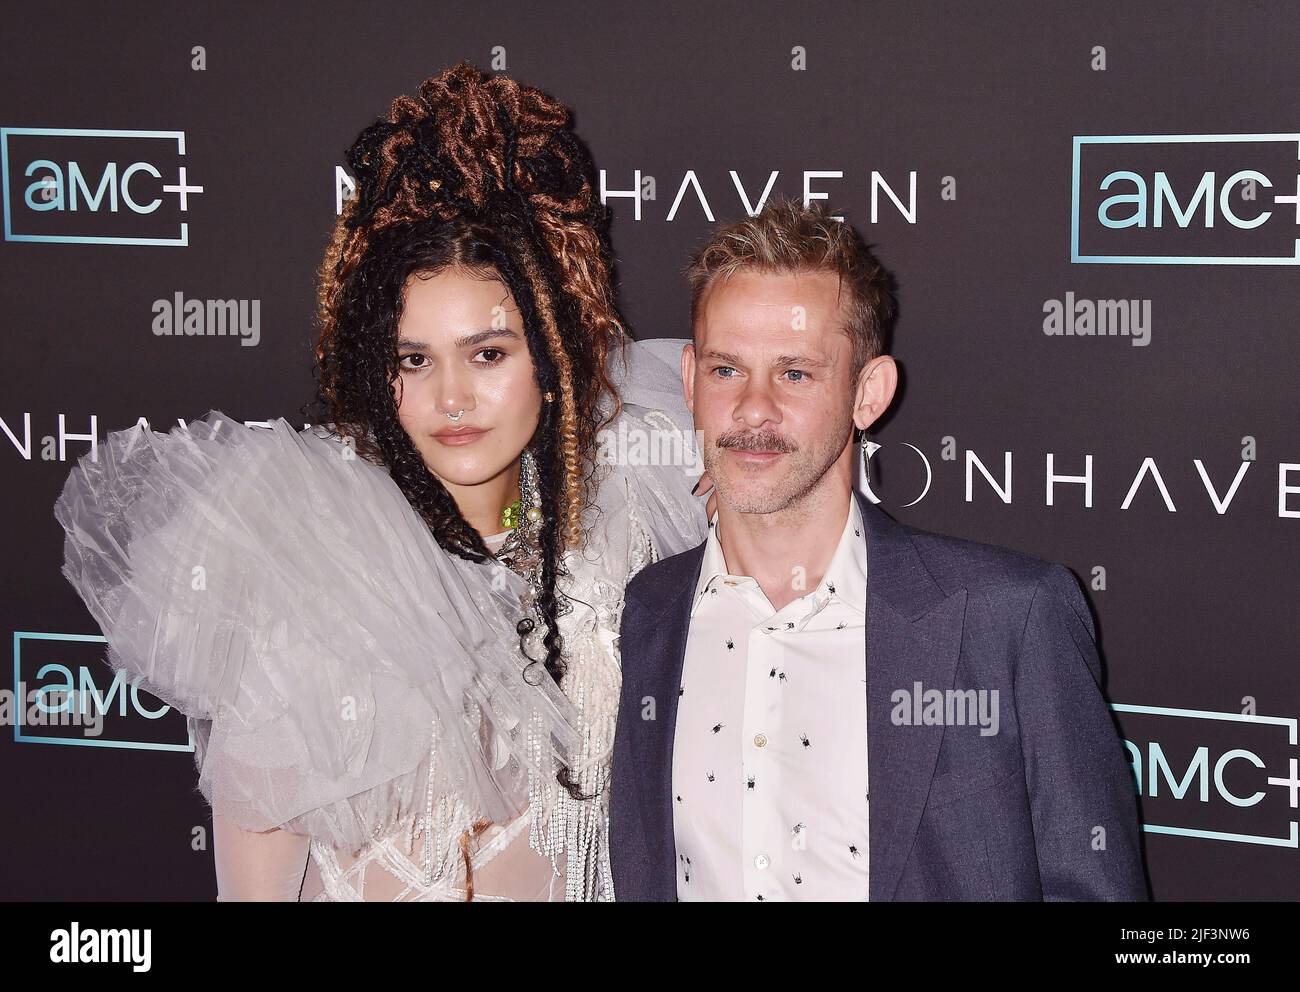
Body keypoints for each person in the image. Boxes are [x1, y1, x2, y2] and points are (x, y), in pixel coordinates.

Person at [54, 62, 707, 901]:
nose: (452, 399)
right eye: (414, 359)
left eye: (488, 353)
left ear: (552, 360)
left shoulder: (623, 518)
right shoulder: (311, 566)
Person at [609, 196, 1149, 901]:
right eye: (726, 369)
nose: (752, 409)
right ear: (688, 382)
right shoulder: (647, 611)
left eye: (795, 373)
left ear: (868, 393)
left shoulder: (1006, 620)